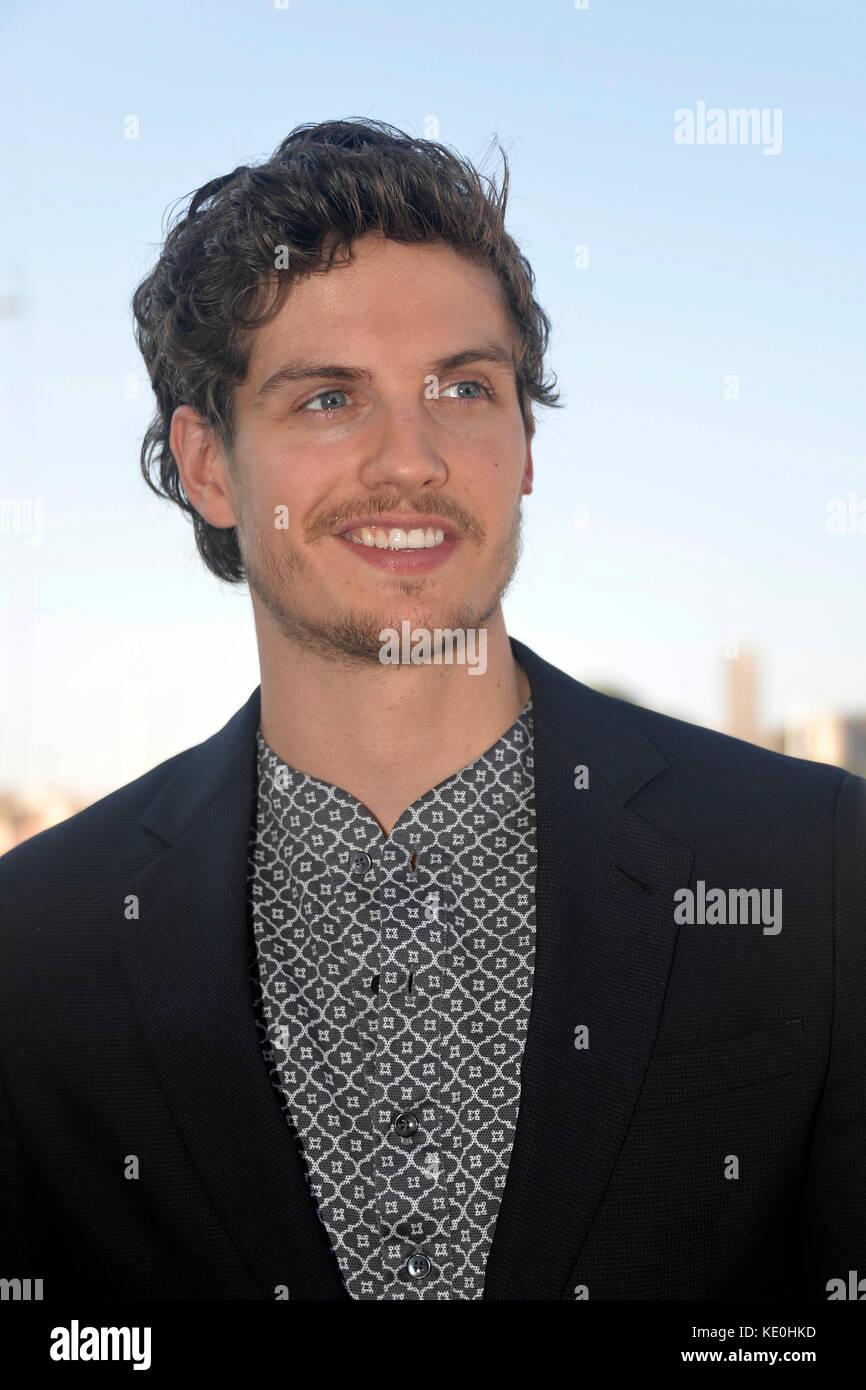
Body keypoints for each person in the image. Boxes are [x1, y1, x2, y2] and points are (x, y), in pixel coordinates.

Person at [0, 119, 863, 1302]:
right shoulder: (33, 946)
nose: (410, 459)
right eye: (326, 399)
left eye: (462, 387)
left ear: (520, 447)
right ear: (206, 466)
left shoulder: (818, 870)